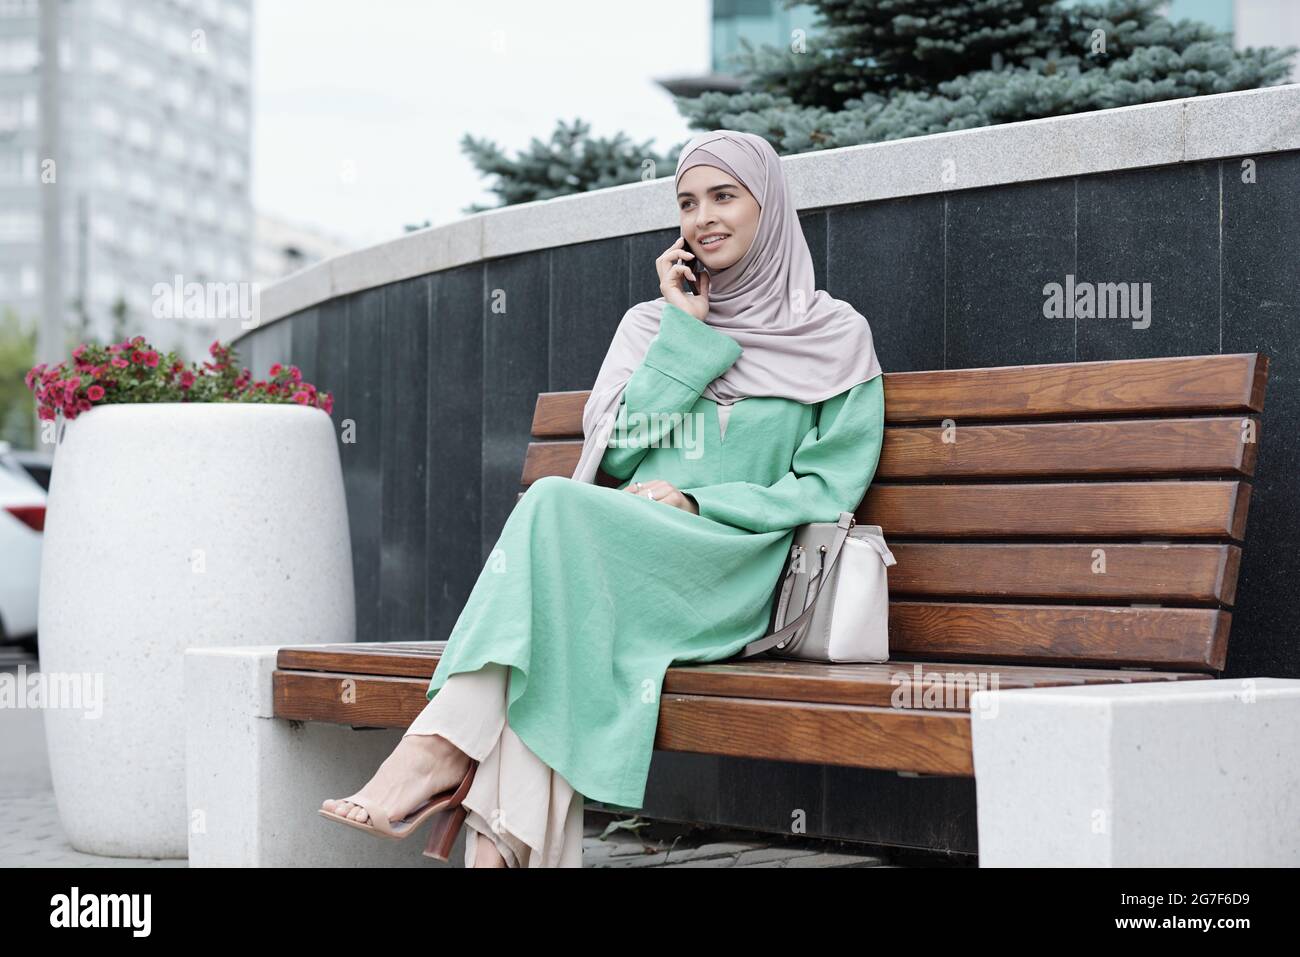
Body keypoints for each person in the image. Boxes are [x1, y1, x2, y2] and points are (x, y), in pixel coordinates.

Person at [319, 130, 886, 868]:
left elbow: (828, 486)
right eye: (687, 202)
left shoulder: (833, 334)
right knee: (557, 633)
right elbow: (617, 450)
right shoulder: (649, 326)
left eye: (724, 196)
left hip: (739, 569)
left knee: (553, 508)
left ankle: (438, 748)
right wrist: (684, 336)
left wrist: (699, 501)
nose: (703, 218)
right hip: (635, 562)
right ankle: (496, 850)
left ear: (768, 206)